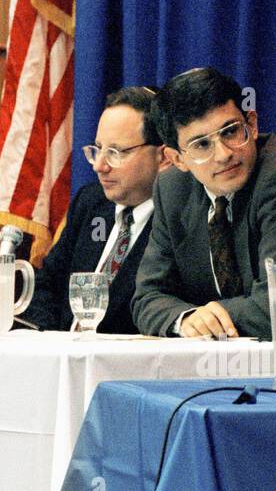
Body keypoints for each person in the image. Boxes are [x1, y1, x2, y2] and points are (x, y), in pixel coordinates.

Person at [131, 67, 276, 340]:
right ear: (177, 159)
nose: (223, 154)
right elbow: (147, 296)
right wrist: (187, 319)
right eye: (201, 145)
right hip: (221, 366)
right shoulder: (172, 189)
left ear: (251, 125)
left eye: (230, 132)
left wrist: (212, 316)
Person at [20, 87, 168, 334]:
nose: (100, 166)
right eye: (98, 149)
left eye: (116, 152)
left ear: (163, 157)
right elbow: (46, 285)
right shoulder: (91, 202)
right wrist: (51, 343)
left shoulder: (176, 220)